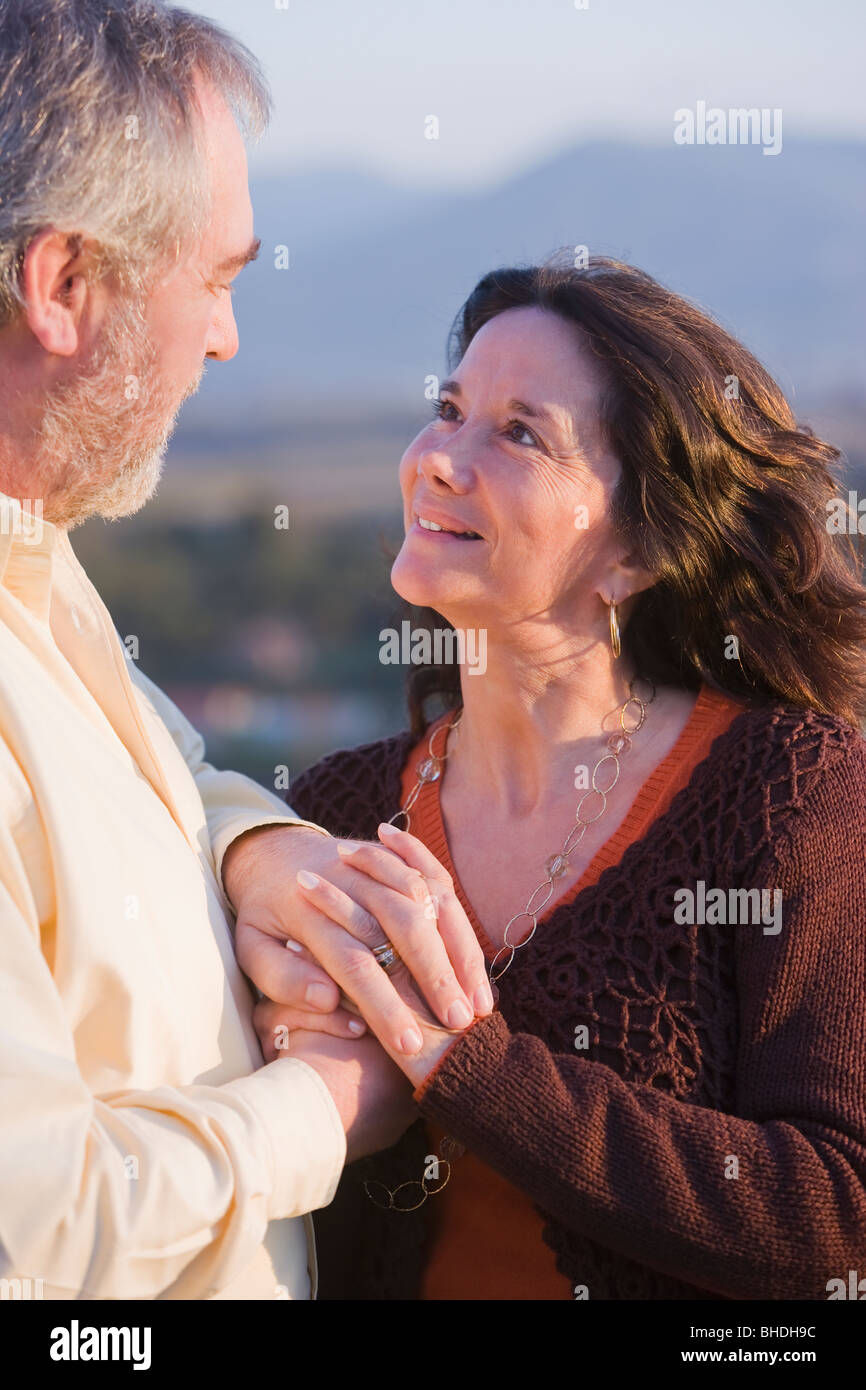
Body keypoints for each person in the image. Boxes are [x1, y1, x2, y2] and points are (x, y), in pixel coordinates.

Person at [0, 0, 492, 1301]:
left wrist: (255, 851)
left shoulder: (38, 572)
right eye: (216, 278)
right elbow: (32, 1232)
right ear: (61, 286)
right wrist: (327, 1102)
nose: (225, 335)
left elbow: (156, 764)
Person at [254, 257, 866, 1299]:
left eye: (518, 432)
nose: (439, 459)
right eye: (449, 410)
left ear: (631, 553)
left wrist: (469, 1069)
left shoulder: (788, 792)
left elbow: (833, 1208)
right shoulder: (331, 815)